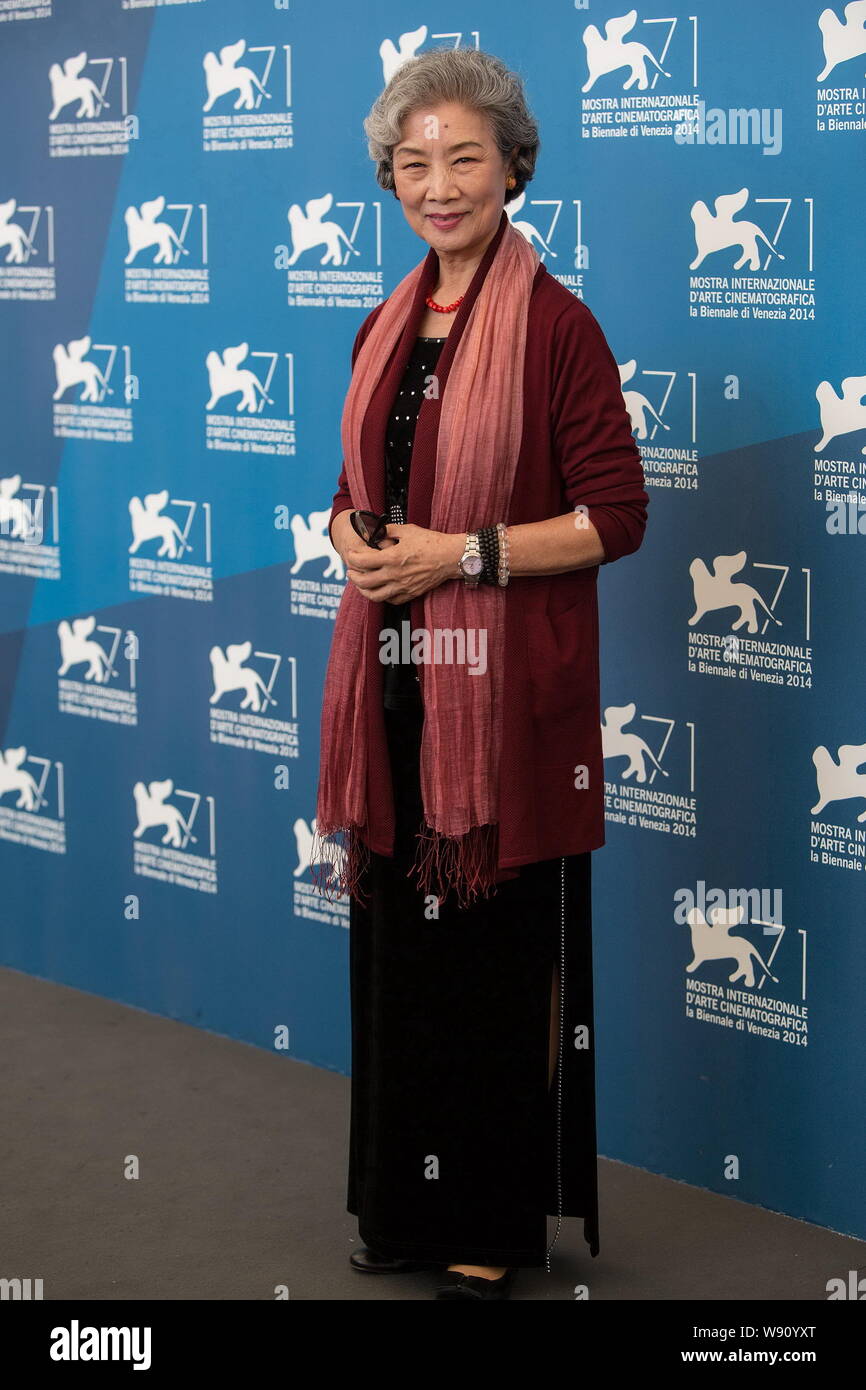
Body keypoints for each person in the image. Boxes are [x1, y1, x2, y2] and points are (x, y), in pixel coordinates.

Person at [311, 46, 649, 1300]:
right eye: (413, 164)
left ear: (513, 167)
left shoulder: (557, 327)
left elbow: (615, 515)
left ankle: (492, 1223)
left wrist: (462, 555)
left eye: (464, 158)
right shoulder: (385, 319)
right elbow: (354, 489)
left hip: (502, 709)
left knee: (492, 973)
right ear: (390, 180)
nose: (438, 185)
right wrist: (347, 537)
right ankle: (399, 1205)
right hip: (392, 687)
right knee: (401, 963)